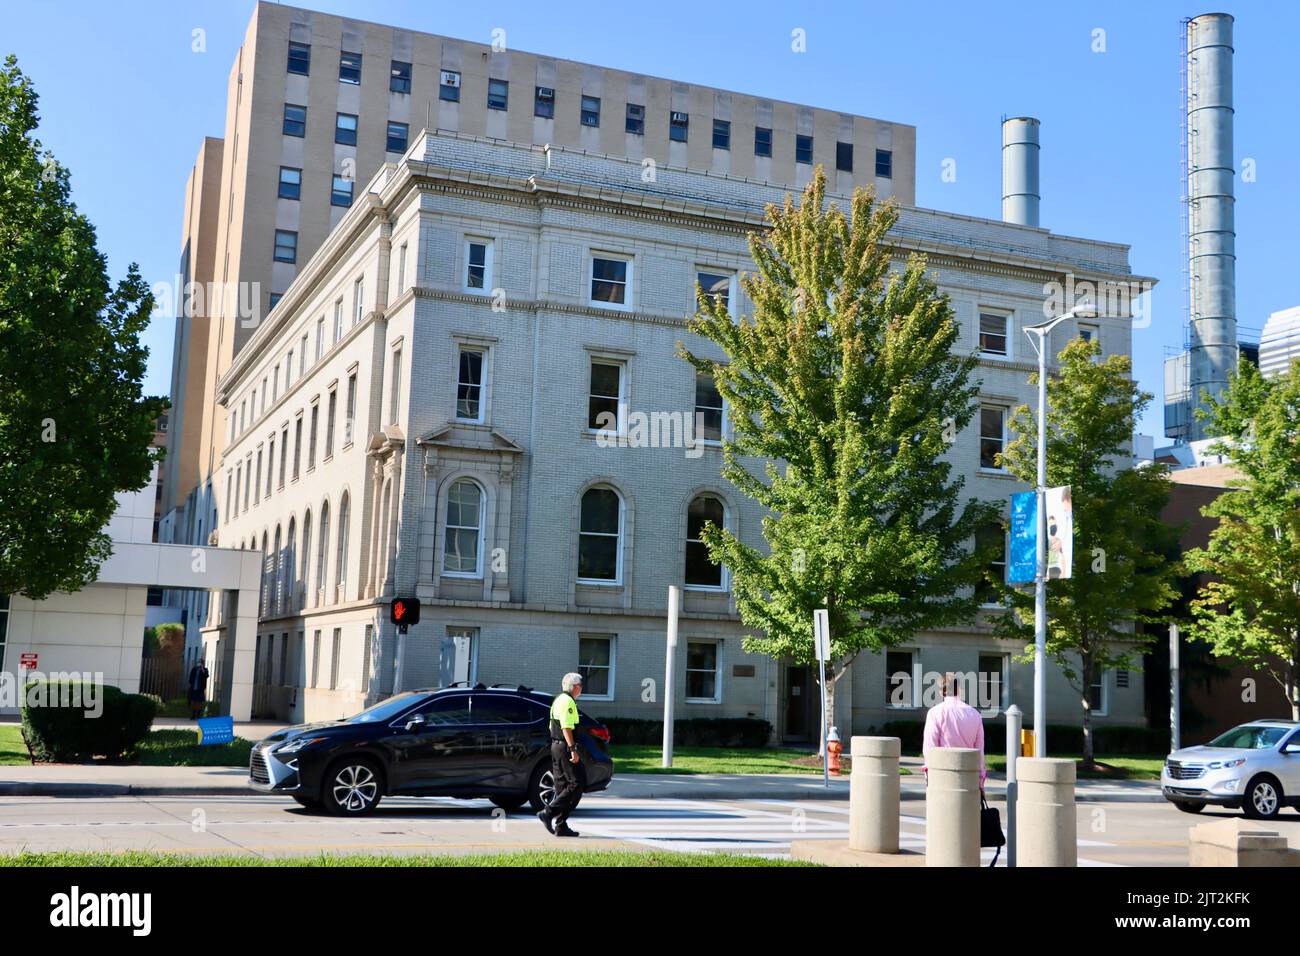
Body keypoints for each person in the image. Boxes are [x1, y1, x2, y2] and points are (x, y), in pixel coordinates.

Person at [922, 673, 987, 791]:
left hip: (943, 772)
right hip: (969, 773)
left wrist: (928, 772)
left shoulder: (935, 713)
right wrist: (981, 777)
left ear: (941, 691)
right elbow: (980, 749)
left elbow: (930, 747)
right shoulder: (975, 714)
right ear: (959, 689)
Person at [538, 672, 584, 838]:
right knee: (576, 783)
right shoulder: (568, 702)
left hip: (555, 746)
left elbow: (552, 726)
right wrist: (572, 749)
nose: (581, 690)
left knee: (561, 786)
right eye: (581, 687)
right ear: (575, 687)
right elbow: (566, 727)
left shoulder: (558, 700)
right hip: (565, 747)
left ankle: (561, 825)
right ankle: (548, 813)